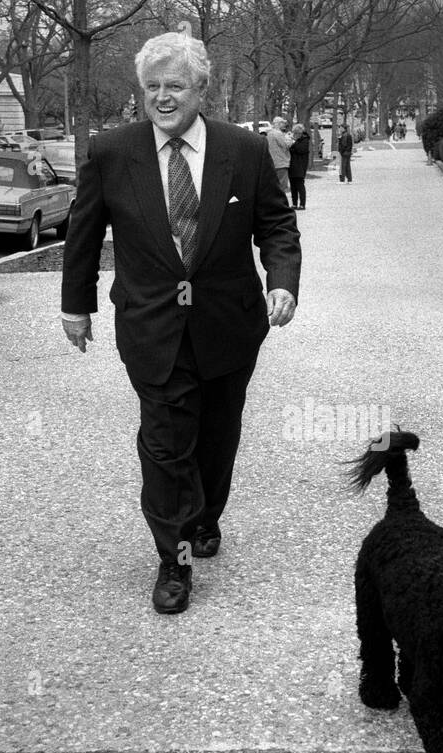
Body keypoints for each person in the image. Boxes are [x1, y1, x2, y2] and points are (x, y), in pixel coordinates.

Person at [60, 31, 301, 615]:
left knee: (217, 437)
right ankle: (175, 558)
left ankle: (205, 516)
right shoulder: (112, 151)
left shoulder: (242, 152)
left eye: (174, 86)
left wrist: (283, 282)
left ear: (202, 89)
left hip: (228, 325)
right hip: (151, 327)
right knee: (166, 445)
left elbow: (275, 225)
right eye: (151, 87)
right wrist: (76, 305)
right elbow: (83, 234)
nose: (162, 98)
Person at [265, 117, 292, 193]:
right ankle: (280, 203)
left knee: (274, 186)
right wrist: (290, 139)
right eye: (283, 123)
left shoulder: (269, 134)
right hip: (281, 163)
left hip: (273, 162)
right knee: (282, 187)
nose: (284, 125)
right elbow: (286, 145)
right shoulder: (278, 133)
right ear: (279, 124)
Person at [288, 123, 310, 210]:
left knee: (300, 185)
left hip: (300, 165)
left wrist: (293, 144)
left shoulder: (305, 140)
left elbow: (300, 150)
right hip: (292, 165)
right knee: (293, 185)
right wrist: (293, 145)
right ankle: (294, 203)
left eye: (295, 133)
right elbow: (291, 149)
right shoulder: (297, 140)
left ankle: (302, 204)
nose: (294, 135)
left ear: (299, 133)